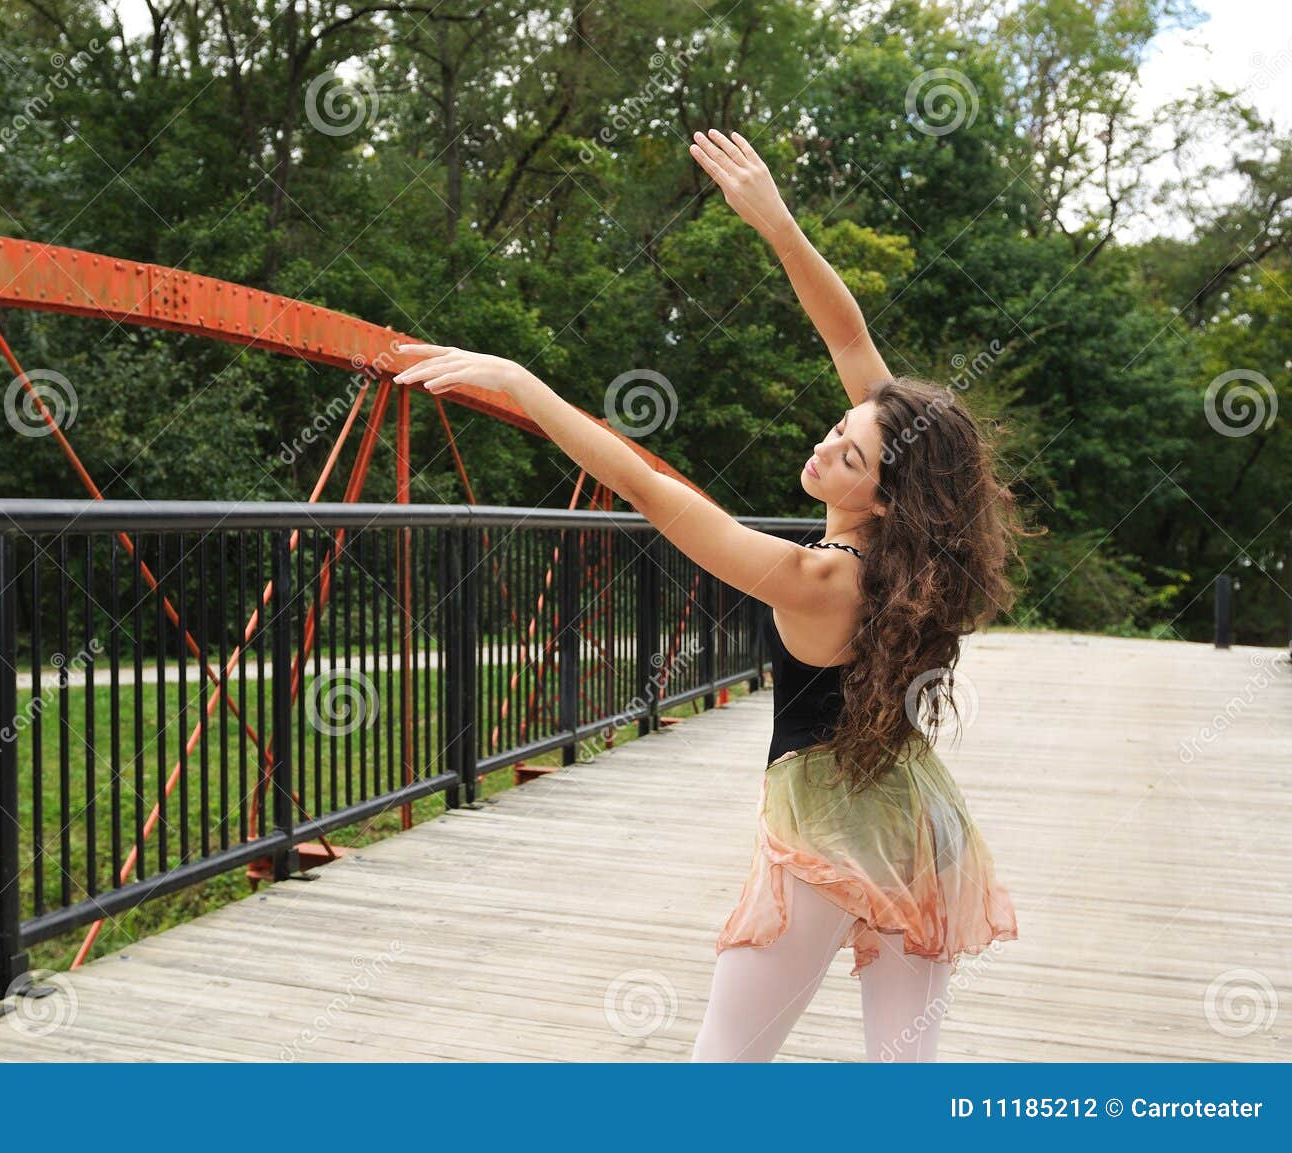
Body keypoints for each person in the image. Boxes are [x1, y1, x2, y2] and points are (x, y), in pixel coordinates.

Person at [395, 127, 1031, 1063]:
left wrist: (525, 386)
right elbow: (850, 337)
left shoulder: (820, 578)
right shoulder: (911, 551)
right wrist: (775, 223)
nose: (824, 447)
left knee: (723, 1064)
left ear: (885, 488)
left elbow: (655, 493)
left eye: (845, 454)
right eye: (836, 426)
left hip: (829, 830)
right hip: (918, 821)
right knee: (905, 1075)